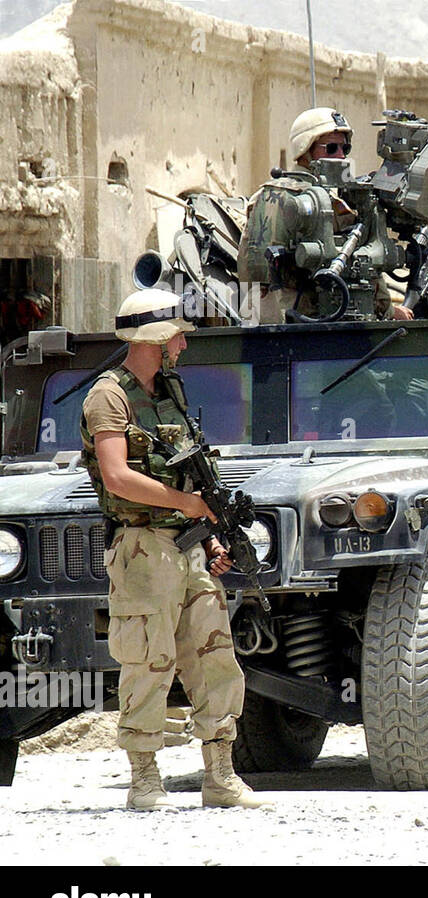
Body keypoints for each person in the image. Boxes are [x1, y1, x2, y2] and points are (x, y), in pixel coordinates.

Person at [81, 288, 268, 810]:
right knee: (148, 660)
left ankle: (220, 777)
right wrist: (187, 504)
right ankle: (144, 780)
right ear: (156, 339)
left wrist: (209, 535)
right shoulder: (108, 396)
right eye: (178, 335)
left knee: (214, 656)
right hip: (141, 548)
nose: (184, 343)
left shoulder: (171, 391)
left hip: (185, 547)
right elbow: (117, 477)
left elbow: (186, 469)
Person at [238, 107, 413, 324]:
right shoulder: (282, 197)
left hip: (326, 317)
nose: (340, 155)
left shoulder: (338, 199)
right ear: (305, 150)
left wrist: (386, 311)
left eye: (344, 148)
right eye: (331, 148)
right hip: (294, 323)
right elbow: (259, 278)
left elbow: (364, 264)